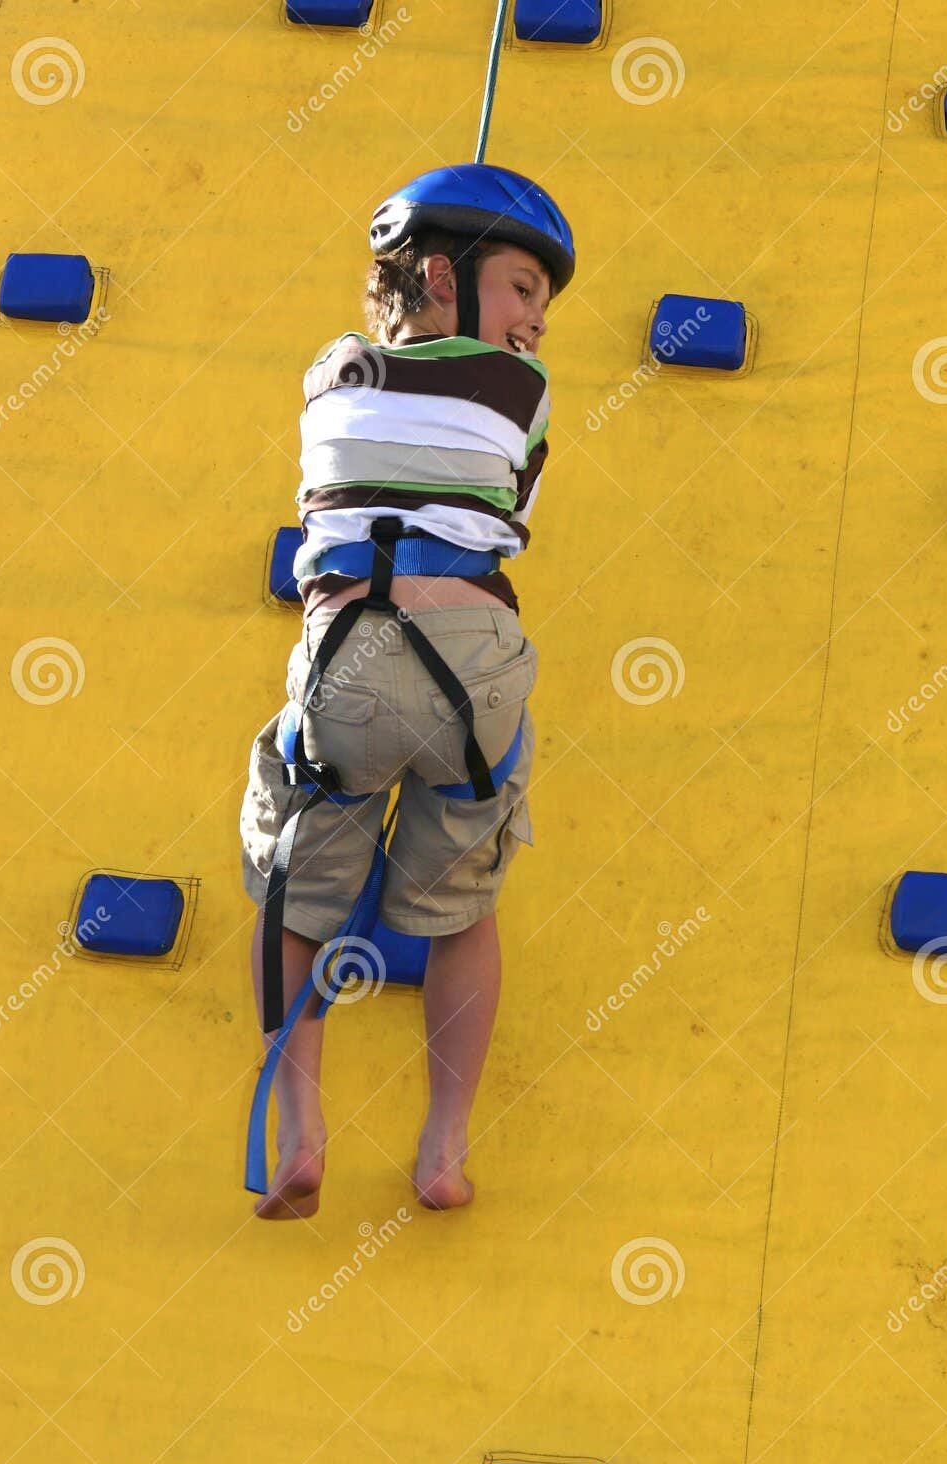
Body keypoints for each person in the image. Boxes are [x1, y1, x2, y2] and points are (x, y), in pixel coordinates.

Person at [239, 164, 575, 1220]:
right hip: (475, 653)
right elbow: (510, 499)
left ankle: (300, 1123)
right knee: (464, 906)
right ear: (444, 274)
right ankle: (442, 1145)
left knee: (296, 881)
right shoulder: (527, 397)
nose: (533, 322)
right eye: (522, 288)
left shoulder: (329, 379)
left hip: (348, 649)